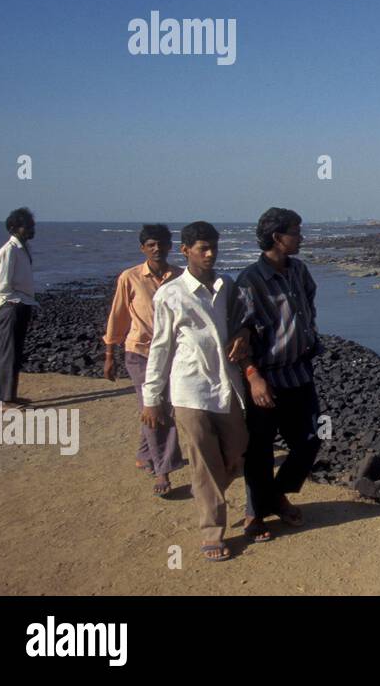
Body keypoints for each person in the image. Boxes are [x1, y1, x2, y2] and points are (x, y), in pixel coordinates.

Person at [142, 221, 250, 562]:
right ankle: (211, 531)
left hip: (227, 384)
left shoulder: (227, 286)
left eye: (213, 247)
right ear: (185, 251)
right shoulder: (170, 294)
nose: (210, 254)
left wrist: (244, 334)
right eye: (202, 248)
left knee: (236, 451)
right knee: (203, 461)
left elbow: (242, 319)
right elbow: (160, 348)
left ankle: (209, 491)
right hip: (189, 389)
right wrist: (152, 399)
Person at [235, 207, 322, 541]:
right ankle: (256, 512)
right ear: (277, 237)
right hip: (265, 380)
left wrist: (309, 337)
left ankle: (275, 494)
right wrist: (253, 376)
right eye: (296, 232)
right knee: (260, 449)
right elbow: (239, 336)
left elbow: (308, 310)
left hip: (300, 372)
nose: (301, 237)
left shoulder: (299, 271)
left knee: (312, 438)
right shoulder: (249, 282)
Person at [102, 224, 187, 496]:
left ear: (170, 246)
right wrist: (109, 355)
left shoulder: (181, 276)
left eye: (161, 243)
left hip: (172, 355)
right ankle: (163, 470)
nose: (157, 249)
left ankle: (144, 454)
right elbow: (118, 317)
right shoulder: (131, 277)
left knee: (163, 405)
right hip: (139, 353)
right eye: (151, 244)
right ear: (143, 248)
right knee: (155, 407)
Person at [0, 208, 37, 407]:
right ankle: (4, 399)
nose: (30, 230)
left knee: (14, 352)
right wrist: (14, 302)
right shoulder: (8, 250)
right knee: (7, 352)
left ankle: (9, 395)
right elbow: (2, 284)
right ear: (14, 228)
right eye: (26, 226)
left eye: (31, 226)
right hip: (10, 304)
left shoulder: (23, 248)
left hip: (21, 302)